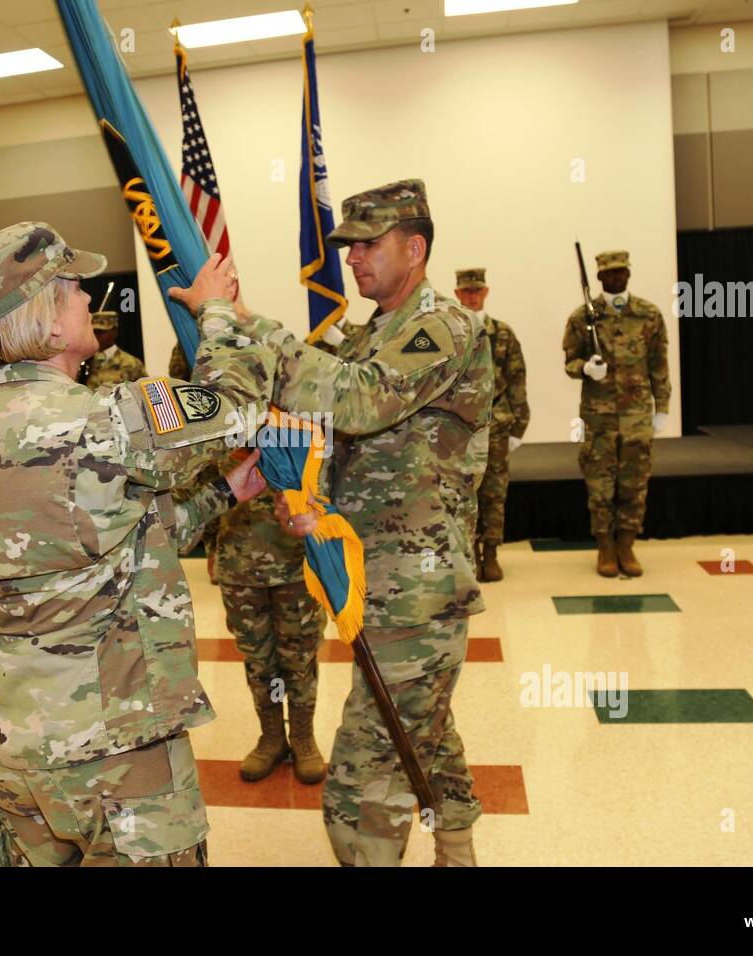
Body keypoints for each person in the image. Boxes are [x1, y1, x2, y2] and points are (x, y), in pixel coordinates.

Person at [0, 221, 275, 866]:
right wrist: (215, 308)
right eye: (71, 287)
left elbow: (113, 542)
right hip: (114, 757)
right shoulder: (100, 418)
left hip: (19, 747)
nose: (87, 301)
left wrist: (224, 494)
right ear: (44, 319)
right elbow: (238, 404)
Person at [236, 180, 494, 866]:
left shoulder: (444, 326)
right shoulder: (379, 331)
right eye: (348, 247)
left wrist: (245, 324)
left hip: (418, 585)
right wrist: (309, 503)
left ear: (416, 247)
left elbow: (358, 401)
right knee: (420, 724)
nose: (352, 259)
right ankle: (459, 847)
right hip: (370, 574)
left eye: (368, 244)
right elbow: (336, 437)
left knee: (361, 777)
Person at [562, 249, 671, 577]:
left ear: (628, 273)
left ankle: (627, 544)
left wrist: (662, 408)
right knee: (600, 485)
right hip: (598, 417)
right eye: (608, 273)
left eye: (620, 271)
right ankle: (605, 547)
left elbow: (659, 364)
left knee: (634, 484)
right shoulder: (583, 317)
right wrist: (586, 368)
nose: (615, 277)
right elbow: (569, 362)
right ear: (598, 277)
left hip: (637, 415)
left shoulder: (648, 315)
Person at [214, 469, 327, 784]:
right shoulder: (224, 423)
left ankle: (303, 739)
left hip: (297, 561)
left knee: (299, 658)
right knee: (260, 661)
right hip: (239, 563)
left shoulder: (298, 423)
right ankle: (272, 738)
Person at [455, 267, 529, 582]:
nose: (472, 296)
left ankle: (492, 553)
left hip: (496, 423)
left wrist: (519, 426)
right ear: (457, 294)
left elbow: (517, 380)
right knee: (463, 492)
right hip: (458, 427)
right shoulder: (448, 332)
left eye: (477, 290)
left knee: (495, 492)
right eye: (466, 291)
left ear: (486, 292)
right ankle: (469, 554)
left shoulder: (503, 333)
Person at [80, 309, 146, 387]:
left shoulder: (131, 364)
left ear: (114, 331)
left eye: (101, 332)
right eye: (93, 332)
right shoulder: (83, 362)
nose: (96, 336)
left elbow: (146, 392)